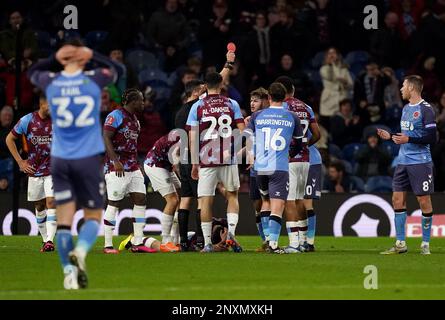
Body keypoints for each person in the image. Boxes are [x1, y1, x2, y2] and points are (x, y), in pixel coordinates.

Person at [28, 40, 118, 290]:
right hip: (87, 158)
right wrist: (94, 54)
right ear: (82, 57)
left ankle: (69, 274)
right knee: (93, 216)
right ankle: (80, 252)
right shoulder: (93, 80)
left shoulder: (51, 81)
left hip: (59, 159)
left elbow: (32, 72)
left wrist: (54, 58)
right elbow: (116, 70)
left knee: (64, 220)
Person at [175, 50, 235, 252]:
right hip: (204, 157)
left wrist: (227, 64)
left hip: (189, 157)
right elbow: (216, 84)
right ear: (195, 92)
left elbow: (216, 82)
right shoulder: (205, 105)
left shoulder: (186, 110)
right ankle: (203, 240)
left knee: (187, 199)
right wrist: (228, 63)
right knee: (207, 200)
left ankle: (187, 241)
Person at [377, 75, 437, 255]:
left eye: (403, 85)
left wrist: (408, 138)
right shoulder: (405, 109)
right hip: (402, 161)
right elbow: (407, 134)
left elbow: (432, 138)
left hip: (420, 162)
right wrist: (392, 136)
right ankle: (400, 243)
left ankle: (425, 244)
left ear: (411, 87)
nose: (401, 89)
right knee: (397, 199)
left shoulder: (427, 110)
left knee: (423, 200)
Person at [186, 71, 245, 253]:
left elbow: (192, 136)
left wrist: (195, 163)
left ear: (205, 85)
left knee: (205, 201)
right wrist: (232, 149)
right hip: (228, 159)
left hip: (206, 159)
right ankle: (231, 236)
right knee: (233, 196)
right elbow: (243, 131)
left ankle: (207, 244)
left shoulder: (197, 106)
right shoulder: (231, 104)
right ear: (221, 84)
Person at [248, 82, 303, 254]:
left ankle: (266, 240)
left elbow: (249, 139)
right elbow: (299, 143)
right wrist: (290, 154)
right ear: (285, 97)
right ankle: (273, 245)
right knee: (278, 207)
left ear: (269, 97)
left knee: (265, 202)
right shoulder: (292, 116)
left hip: (260, 168)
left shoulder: (257, 116)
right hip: (279, 168)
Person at [275, 76, 320, 253]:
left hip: (290, 159)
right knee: (301, 199)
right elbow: (317, 134)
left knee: (289, 200)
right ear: (292, 90)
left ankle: (294, 243)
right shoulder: (306, 107)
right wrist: (305, 145)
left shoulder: (283, 107)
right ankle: (303, 241)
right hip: (305, 159)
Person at [6, 95, 56, 252]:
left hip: (53, 169)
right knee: (39, 206)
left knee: (51, 203)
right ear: (42, 104)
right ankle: (44, 239)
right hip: (34, 171)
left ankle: (50, 241)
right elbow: (9, 139)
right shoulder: (27, 120)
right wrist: (21, 162)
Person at [102, 89, 149, 254]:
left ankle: (137, 241)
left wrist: (137, 164)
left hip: (133, 166)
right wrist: (115, 161)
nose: (143, 103)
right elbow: (106, 137)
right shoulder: (115, 116)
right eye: (141, 100)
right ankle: (108, 245)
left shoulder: (135, 120)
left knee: (141, 198)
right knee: (114, 202)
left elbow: (132, 145)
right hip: (117, 167)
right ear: (133, 101)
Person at [144, 132, 182, 253]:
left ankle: (176, 239)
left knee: (182, 197)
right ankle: (166, 240)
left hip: (166, 166)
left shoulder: (188, 134)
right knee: (173, 200)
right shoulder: (183, 139)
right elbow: (177, 163)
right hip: (155, 165)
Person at [118, 217, 236, 253]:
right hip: (189, 239)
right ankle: (133, 239)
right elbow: (195, 248)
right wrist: (220, 244)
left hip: (190, 236)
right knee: (165, 248)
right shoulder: (202, 237)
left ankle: (133, 240)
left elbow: (234, 245)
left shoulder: (220, 223)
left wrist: (230, 239)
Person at [245, 87, 269, 251]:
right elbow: (247, 140)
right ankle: (264, 240)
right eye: (251, 100)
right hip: (254, 169)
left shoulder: (270, 117)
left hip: (271, 167)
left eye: (256, 100)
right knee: (257, 206)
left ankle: (270, 239)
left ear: (266, 100)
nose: (252, 103)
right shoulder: (251, 119)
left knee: (270, 203)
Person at [319, 47, 353, 128]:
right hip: (329, 100)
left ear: (338, 55)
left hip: (342, 98)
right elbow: (329, 76)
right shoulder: (324, 68)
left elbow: (351, 85)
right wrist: (330, 64)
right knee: (327, 123)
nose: (331, 55)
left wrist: (345, 83)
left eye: (333, 53)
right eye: (329, 53)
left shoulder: (344, 69)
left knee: (341, 123)